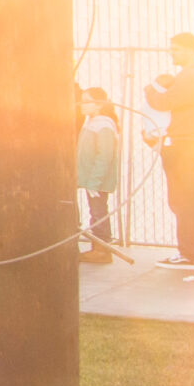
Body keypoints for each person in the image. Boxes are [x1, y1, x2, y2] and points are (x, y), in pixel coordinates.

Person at [146, 32, 194, 270]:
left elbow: (164, 102)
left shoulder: (192, 76)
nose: (172, 53)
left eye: (177, 49)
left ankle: (190, 253)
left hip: (184, 142)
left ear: (191, 50)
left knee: (183, 200)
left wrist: (150, 88)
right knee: (189, 199)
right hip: (190, 140)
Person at [76, 87, 120, 261]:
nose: (82, 104)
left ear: (99, 104)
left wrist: (95, 181)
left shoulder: (103, 125)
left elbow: (105, 155)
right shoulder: (92, 122)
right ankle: (99, 248)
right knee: (96, 211)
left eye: (87, 101)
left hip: (96, 180)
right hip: (90, 179)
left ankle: (102, 249)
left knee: (98, 212)